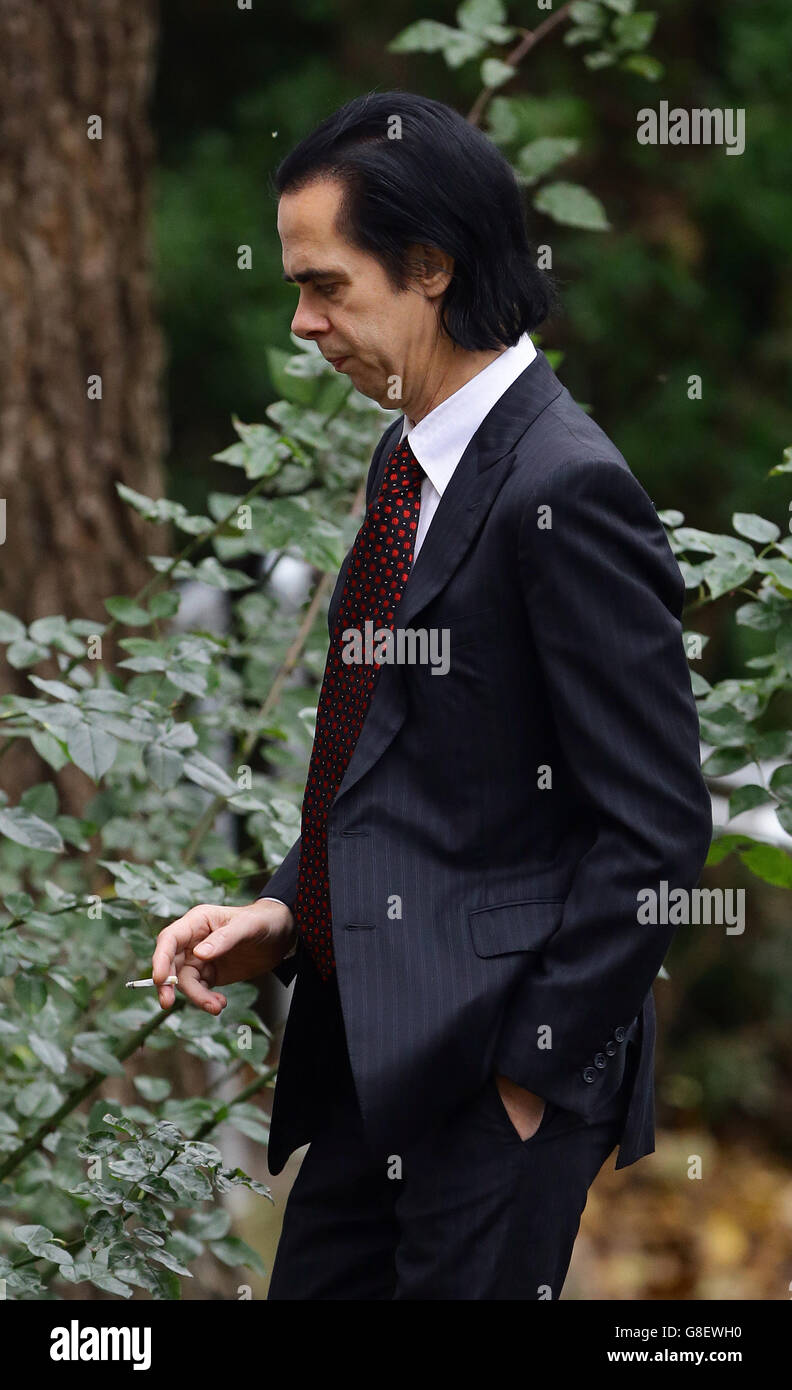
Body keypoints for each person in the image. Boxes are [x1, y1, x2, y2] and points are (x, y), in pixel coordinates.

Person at [152, 91, 712, 1300]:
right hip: (369, 1056)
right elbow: (402, 766)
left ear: (431, 270)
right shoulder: (410, 458)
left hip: (490, 1085)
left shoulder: (564, 490)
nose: (302, 323)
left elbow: (659, 828)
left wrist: (523, 1081)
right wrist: (287, 911)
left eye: (326, 286)